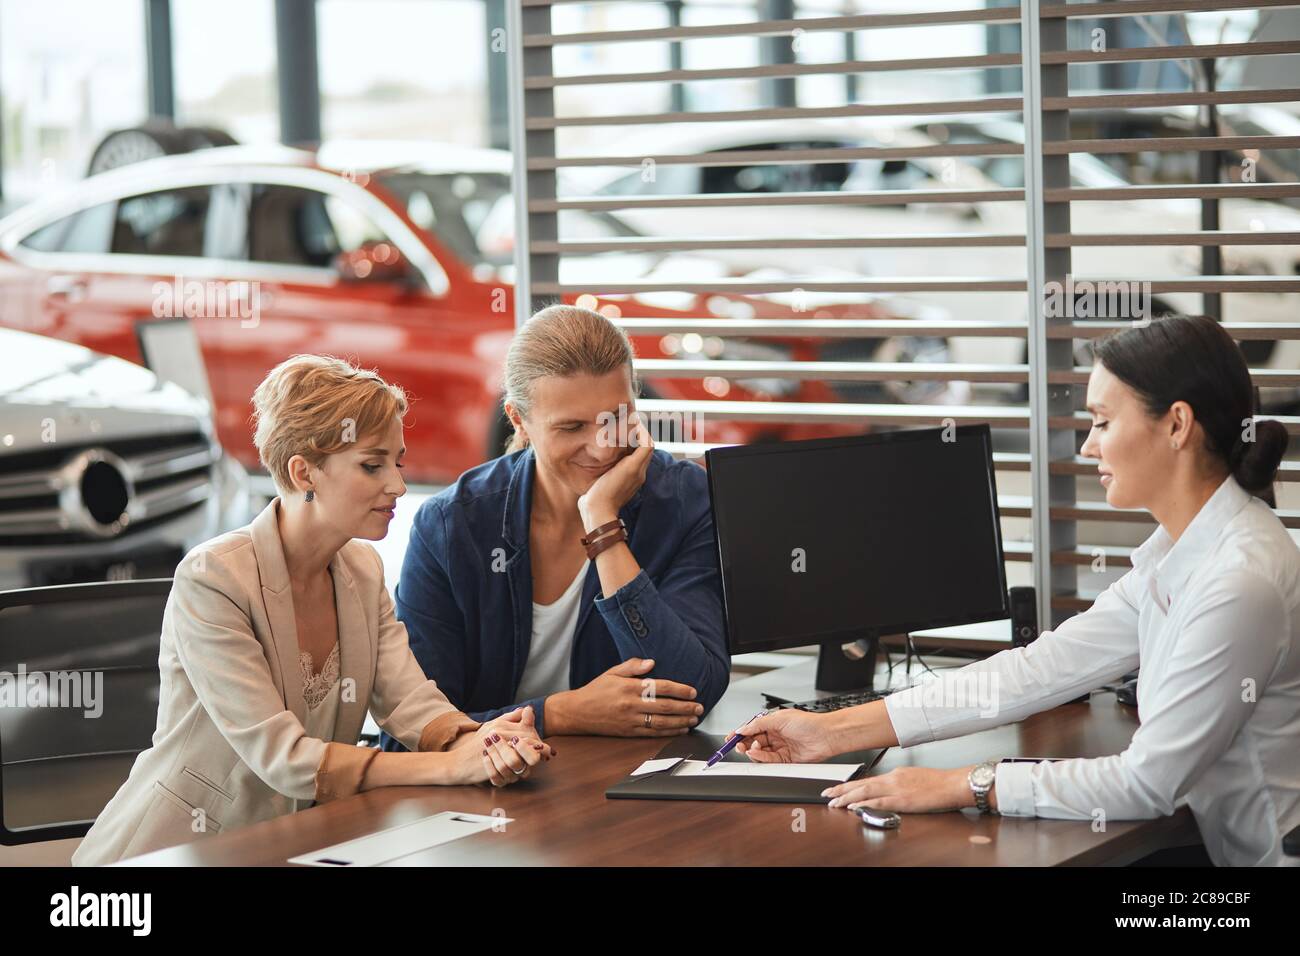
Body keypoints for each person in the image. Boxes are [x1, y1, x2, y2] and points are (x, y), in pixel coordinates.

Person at [731, 315, 1300, 867]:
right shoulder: (1180, 554)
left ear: (1177, 425)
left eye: (1102, 422)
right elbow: (1036, 669)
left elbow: (1145, 784)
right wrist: (829, 731)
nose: (1086, 447)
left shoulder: (1238, 582)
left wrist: (965, 784)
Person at [74, 355, 552, 866]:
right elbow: (284, 761)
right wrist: (451, 768)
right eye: (372, 465)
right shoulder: (213, 579)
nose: (397, 486)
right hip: (178, 852)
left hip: (304, 844)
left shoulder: (363, 570)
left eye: (398, 462)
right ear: (304, 471)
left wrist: (481, 739)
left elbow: (411, 704)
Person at [383, 304, 728, 746]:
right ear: (519, 421)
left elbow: (690, 694)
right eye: (571, 428)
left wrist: (604, 524)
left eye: (615, 420)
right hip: (484, 794)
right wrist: (563, 713)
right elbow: (414, 732)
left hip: (624, 785)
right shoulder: (455, 525)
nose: (602, 450)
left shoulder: (682, 501)